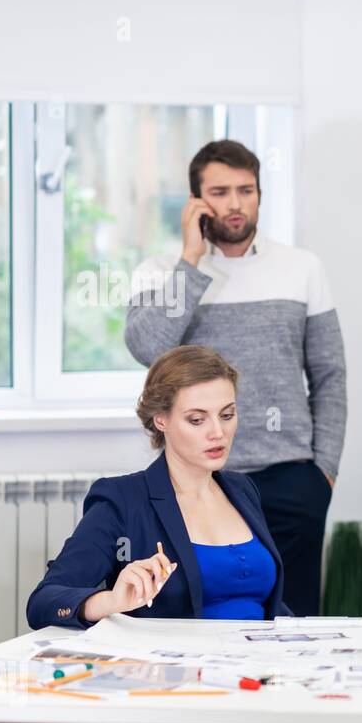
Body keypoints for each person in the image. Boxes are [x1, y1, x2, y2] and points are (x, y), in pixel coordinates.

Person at [124, 140, 345, 616]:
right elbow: (147, 348)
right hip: (195, 480)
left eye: (246, 190)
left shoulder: (302, 269)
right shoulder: (160, 272)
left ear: (260, 194)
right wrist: (191, 260)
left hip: (292, 478)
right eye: (220, 192)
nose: (235, 203)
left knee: (295, 621)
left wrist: (323, 472)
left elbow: (329, 375)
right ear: (196, 202)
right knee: (194, 616)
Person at [26, 346, 290, 628]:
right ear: (160, 419)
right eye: (197, 420)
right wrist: (112, 601)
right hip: (183, 667)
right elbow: (44, 602)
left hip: (258, 662)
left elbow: (270, 604)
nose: (218, 432)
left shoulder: (243, 490)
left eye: (226, 415)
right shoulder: (122, 501)